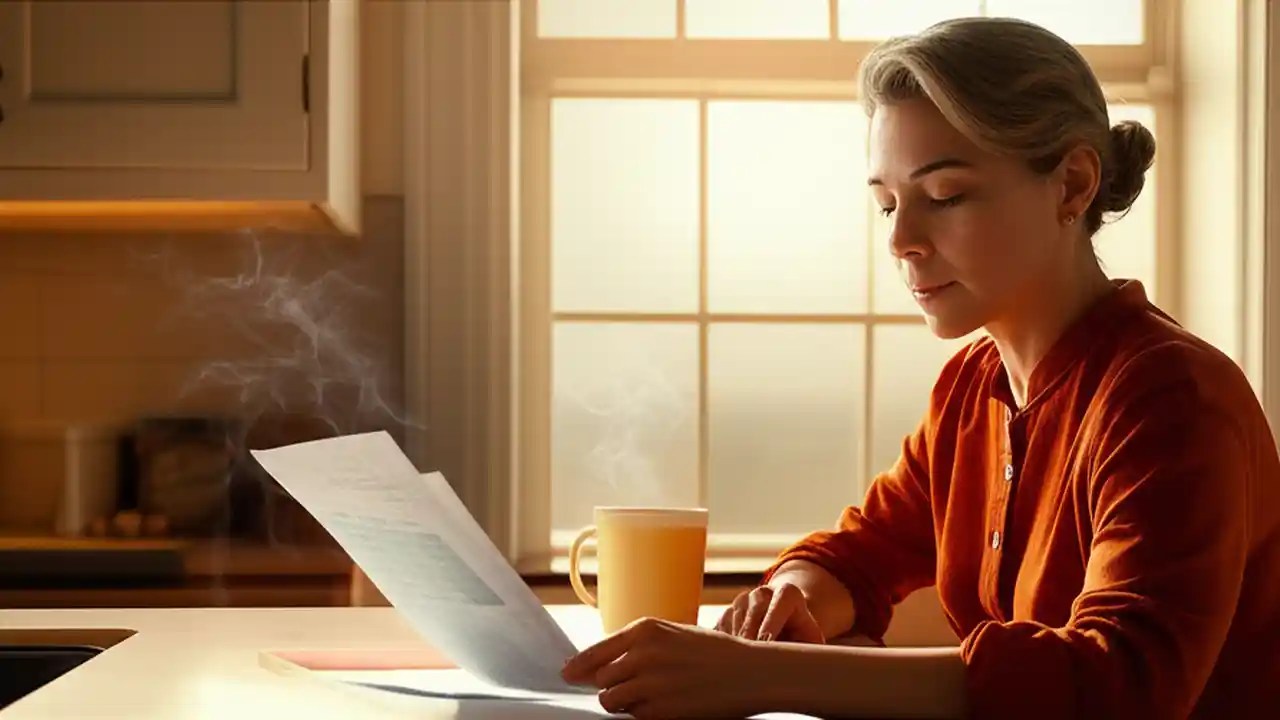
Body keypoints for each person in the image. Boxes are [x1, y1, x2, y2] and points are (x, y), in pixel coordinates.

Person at [561, 16, 1280, 720]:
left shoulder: (1171, 398)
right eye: (887, 205)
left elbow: (1119, 683)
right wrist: (790, 598)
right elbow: (859, 554)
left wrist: (765, 675)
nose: (901, 239)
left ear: (1072, 184)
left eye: (945, 197)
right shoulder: (971, 388)